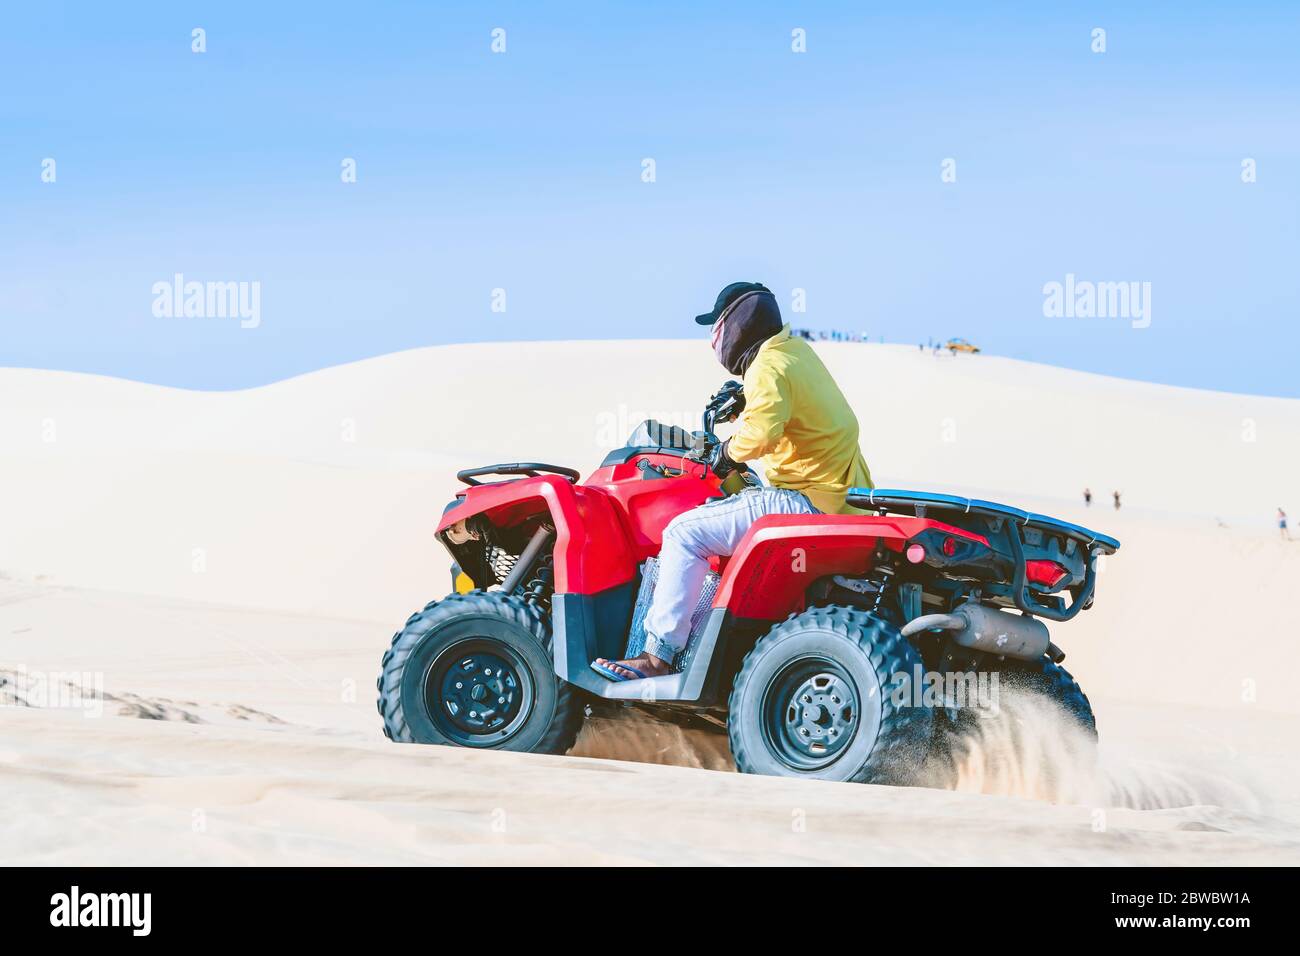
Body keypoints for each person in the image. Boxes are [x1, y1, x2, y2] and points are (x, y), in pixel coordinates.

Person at [591, 281, 873, 681]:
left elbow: (761, 433)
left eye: (716, 327)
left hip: (803, 500)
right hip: (839, 499)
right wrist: (745, 396)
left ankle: (657, 656)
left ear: (739, 323)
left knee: (683, 533)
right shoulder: (796, 353)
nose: (712, 340)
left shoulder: (767, 367)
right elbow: (786, 407)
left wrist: (723, 454)